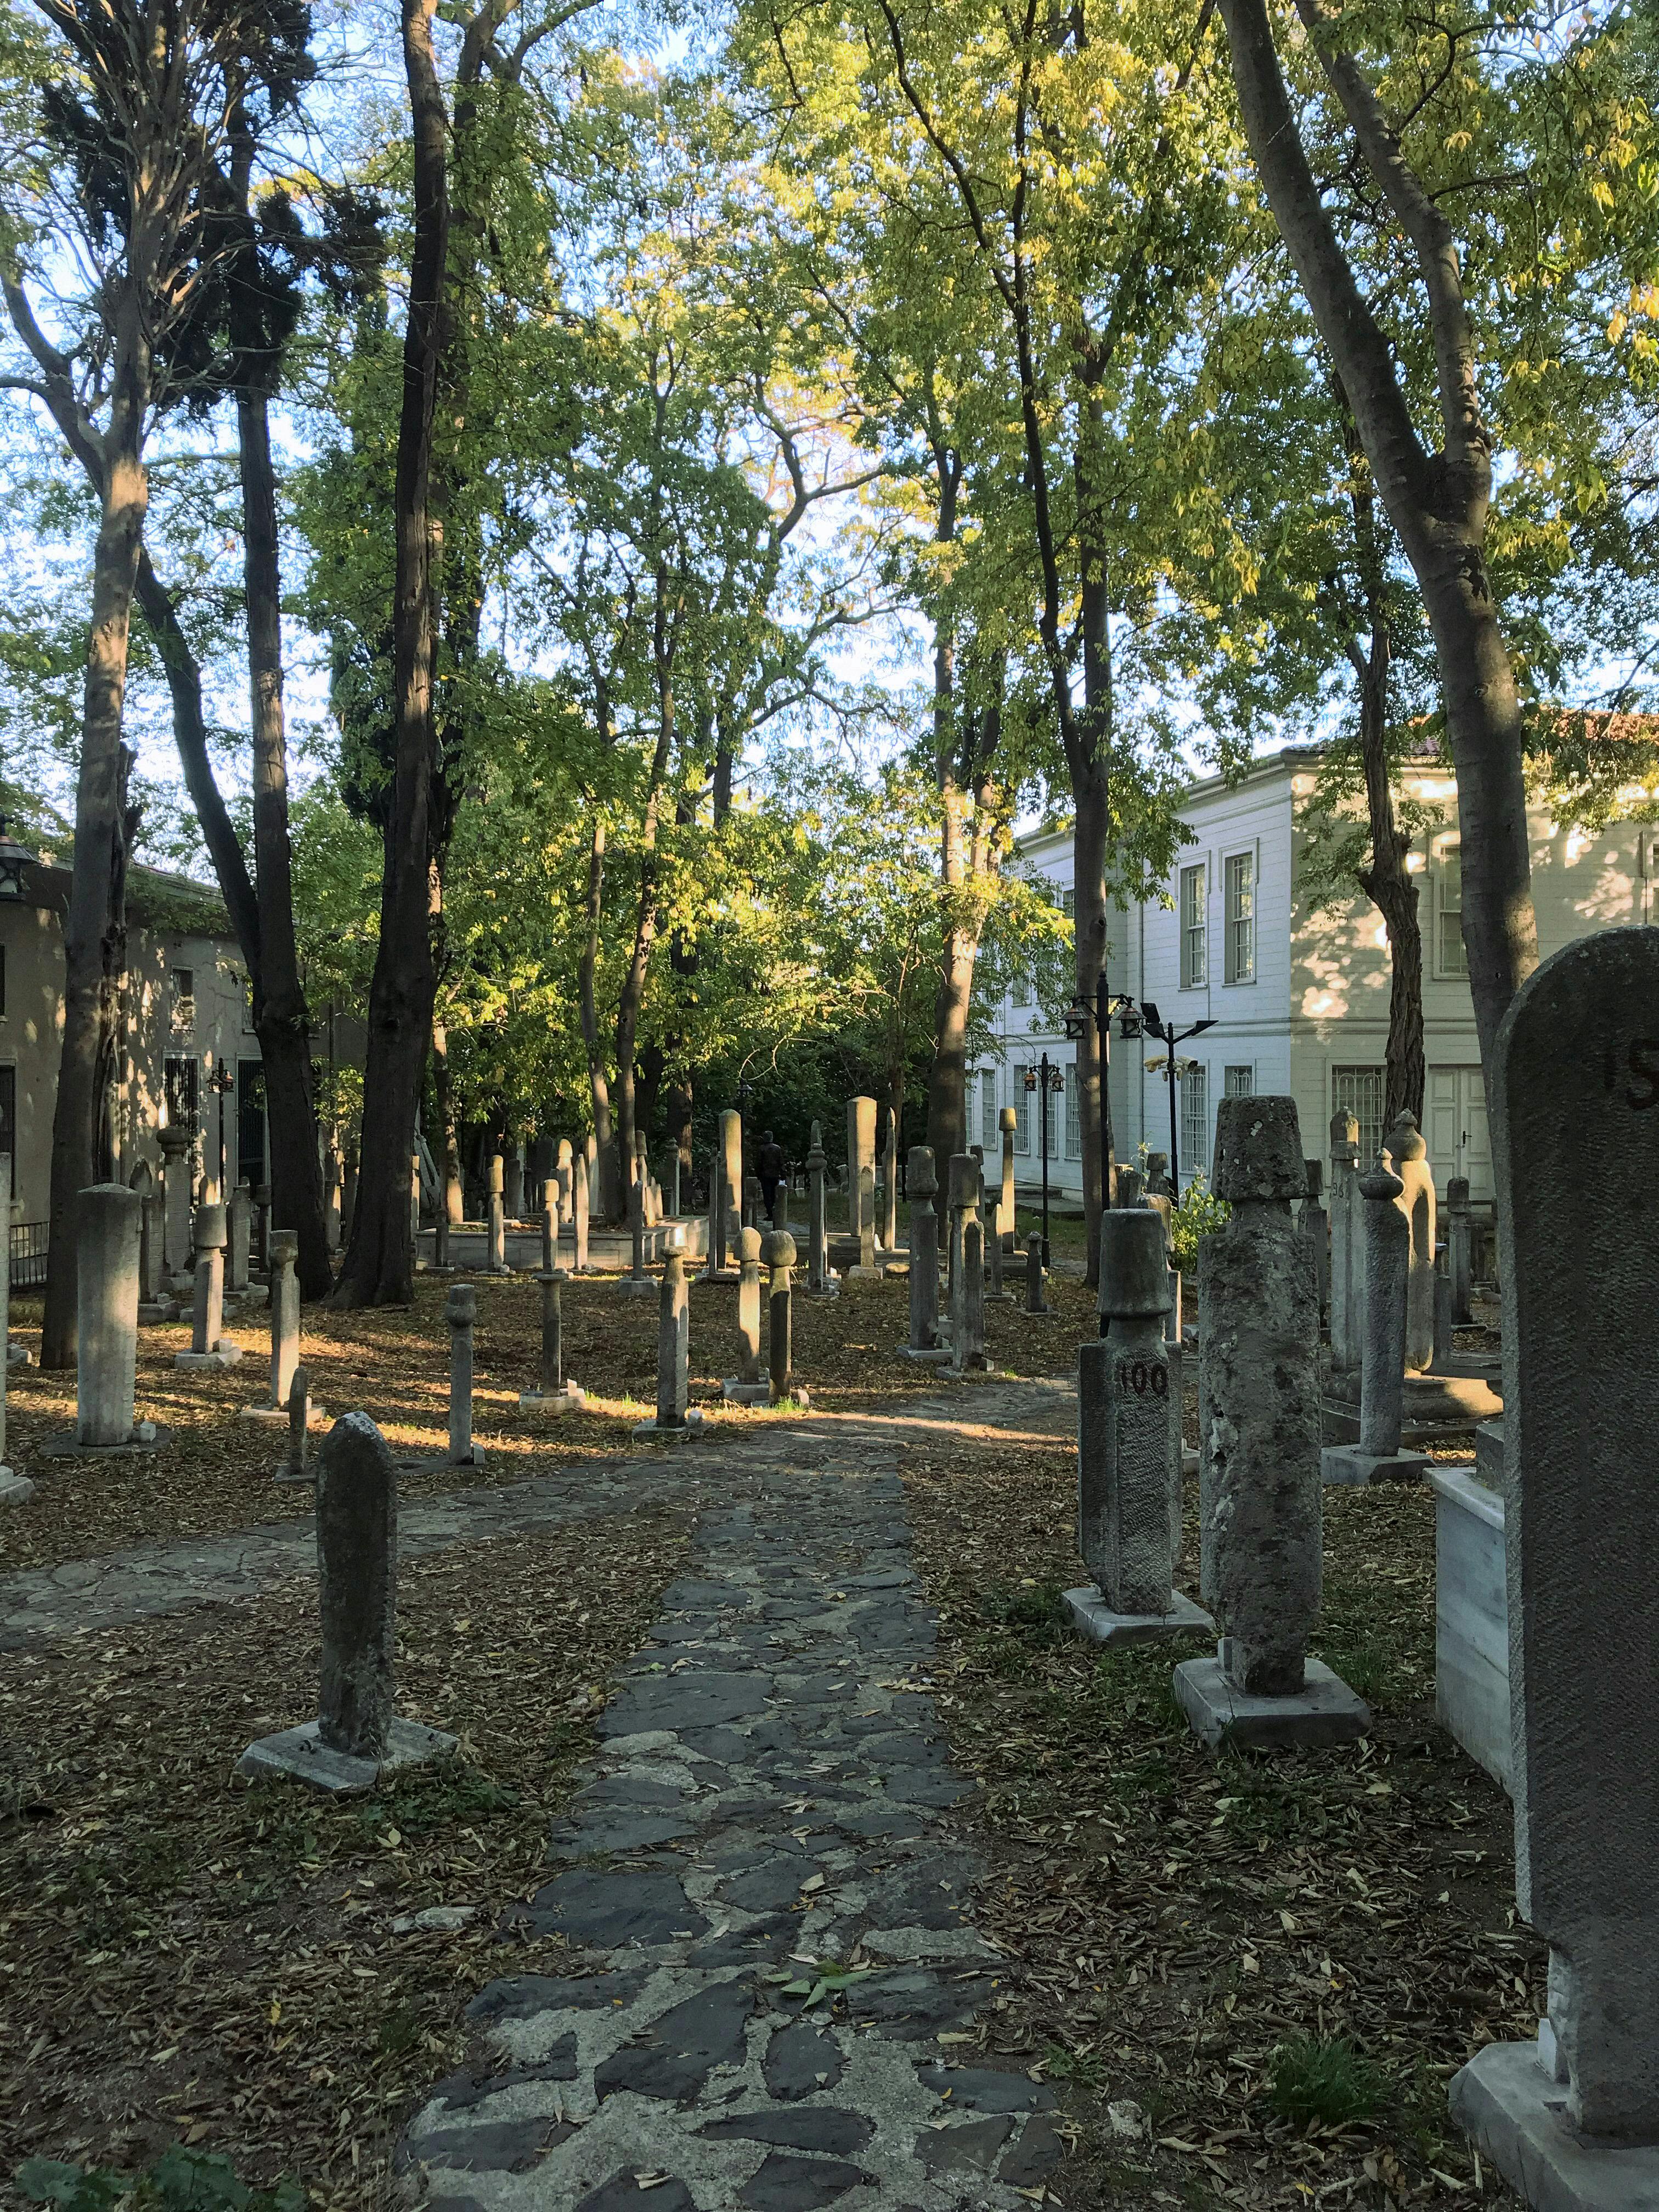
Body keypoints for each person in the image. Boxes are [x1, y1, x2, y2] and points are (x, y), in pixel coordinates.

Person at [757, 1129, 787, 1218]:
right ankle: (774, 1212)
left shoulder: (762, 1149)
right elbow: (781, 1162)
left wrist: (758, 1174)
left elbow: (759, 1163)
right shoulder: (777, 1149)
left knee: (767, 1195)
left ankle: (770, 1213)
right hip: (775, 1175)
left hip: (765, 1175)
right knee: (774, 1194)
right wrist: (783, 1174)